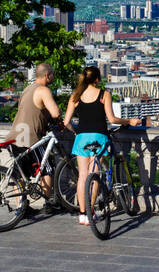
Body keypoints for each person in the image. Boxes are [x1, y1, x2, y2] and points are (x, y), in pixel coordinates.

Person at [64, 65, 144, 226]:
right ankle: (90, 211)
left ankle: (82, 214)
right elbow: (112, 119)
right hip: (98, 137)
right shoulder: (104, 94)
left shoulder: (75, 96)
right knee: (95, 176)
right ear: (97, 79)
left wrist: (76, 132)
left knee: (82, 176)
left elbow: (66, 122)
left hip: (81, 138)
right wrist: (129, 121)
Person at [11, 62, 63, 209]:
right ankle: (48, 203)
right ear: (47, 76)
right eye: (52, 75)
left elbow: (37, 110)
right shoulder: (43, 90)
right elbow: (55, 113)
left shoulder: (27, 89)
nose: (53, 77)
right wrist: (61, 122)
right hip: (31, 136)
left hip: (16, 134)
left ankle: (21, 207)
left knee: (19, 174)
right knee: (47, 169)